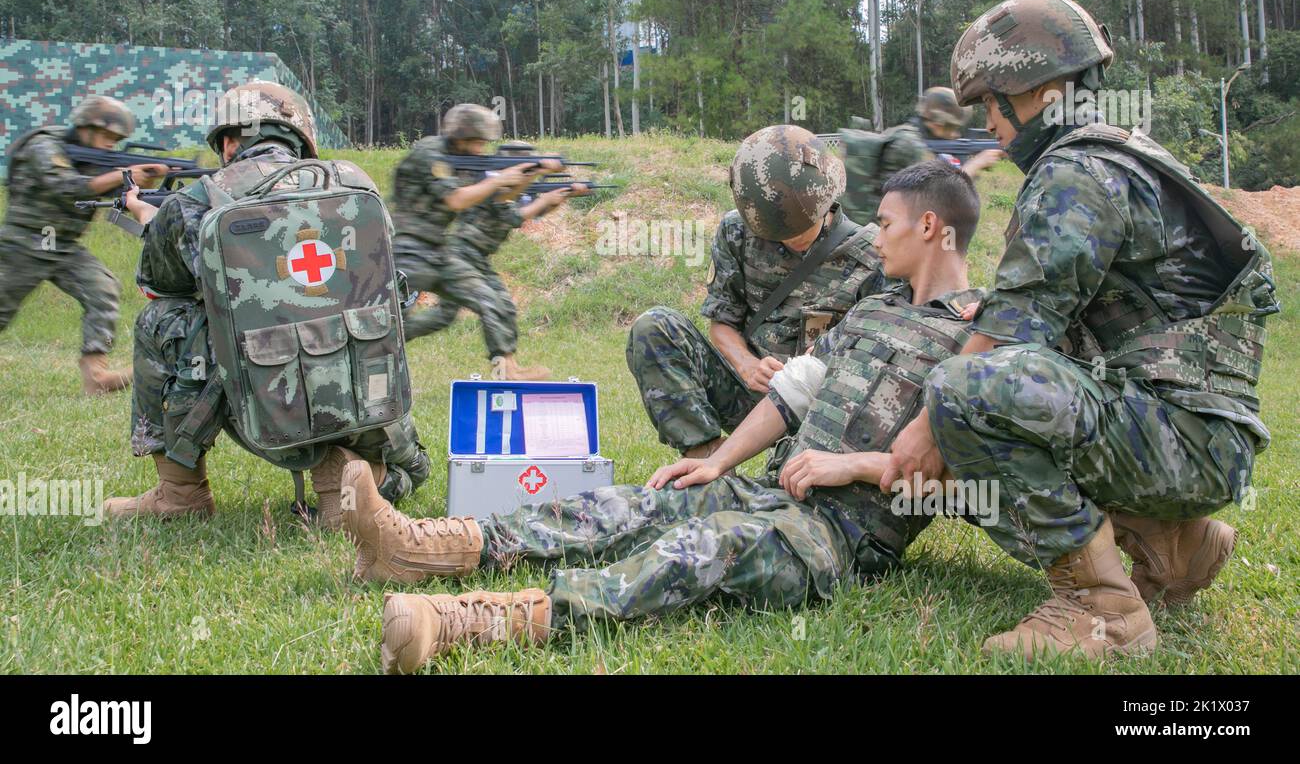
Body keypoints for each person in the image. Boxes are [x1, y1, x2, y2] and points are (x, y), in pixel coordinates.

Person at [338, 159, 982, 674]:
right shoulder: (875, 311)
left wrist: (856, 465)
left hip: (842, 534)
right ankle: (426, 547)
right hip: (773, 488)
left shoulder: (983, 338)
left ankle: (476, 622)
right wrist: (717, 463)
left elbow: (975, 480)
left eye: (889, 223)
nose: (875, 234)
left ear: (928, 227)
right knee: (631, 505)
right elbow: (793, 394)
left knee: (701, 550)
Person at [881, 0, 1279, 660]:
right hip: (1192, 432)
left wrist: (923, 429)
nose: (988, 122)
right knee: (988, 376)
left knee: (965, 389)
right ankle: (1173, 545)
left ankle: (1104, 611)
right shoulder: (1114, 152)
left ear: (1033, 90)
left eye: (989, 102)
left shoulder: (1076, 170)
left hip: (1183, 439)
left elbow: (1015, 331)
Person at [102, 80, 430, 524]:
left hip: (271, 403)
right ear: (299, 138)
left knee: (162, 320)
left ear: (231, 140)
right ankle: (356, 478)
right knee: (410, 473)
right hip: (374, 406)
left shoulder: (193, 203)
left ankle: (180, 491)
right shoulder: (356, 184)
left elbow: (163, 287)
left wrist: (154, 220)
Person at [626, 124, 887, 460]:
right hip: (751, 395)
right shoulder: (737, 231)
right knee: (654, 326)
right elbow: (722, 321)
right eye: (778, 234)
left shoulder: (871, 255)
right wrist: (747, 365)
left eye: (800, 230)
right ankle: (705, 461)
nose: (791, 240)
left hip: (823, 411)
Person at [0, 96, 169, 394]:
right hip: (24, 242)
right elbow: (66, 186)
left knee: (102, 290)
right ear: (84, 127)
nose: (109, 144)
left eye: (116, 139)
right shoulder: (44, 146)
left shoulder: (95, 159)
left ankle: (96, 377)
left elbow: (113, 197)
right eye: (106, 135)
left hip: (63, 246)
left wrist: (139, 187)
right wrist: (122, 175)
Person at [391, 105, 557, 380]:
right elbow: (457, 200)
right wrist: (502, 179)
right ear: (462, 135)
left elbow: (501, 196)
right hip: (408, 248)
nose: (482, 149)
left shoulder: (465, 159)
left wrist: (533, 172)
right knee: (386, 321)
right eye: (478, 142)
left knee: (490, 300)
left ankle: (507, 370)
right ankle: (385, 347)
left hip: (438, 250)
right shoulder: (431, 153)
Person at [414, 140, 590, 355]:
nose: (527, 171)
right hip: (460, 254)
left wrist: (561, 197)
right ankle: (503, 363)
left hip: (475, 257)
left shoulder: (512, 188)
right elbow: (516, 215)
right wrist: (544, 195)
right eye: (525, 166)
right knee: (491, 306)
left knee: (453, 314)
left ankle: (504, 365)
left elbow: (533, 211)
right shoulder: (492, 185)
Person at [838, 86, 1004, 226]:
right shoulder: (910, 145)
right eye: (952, 127)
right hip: (877, 231)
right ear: (938, 123)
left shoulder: (910, 136)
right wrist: (976, 164)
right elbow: (942, 194)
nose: (955, 134)